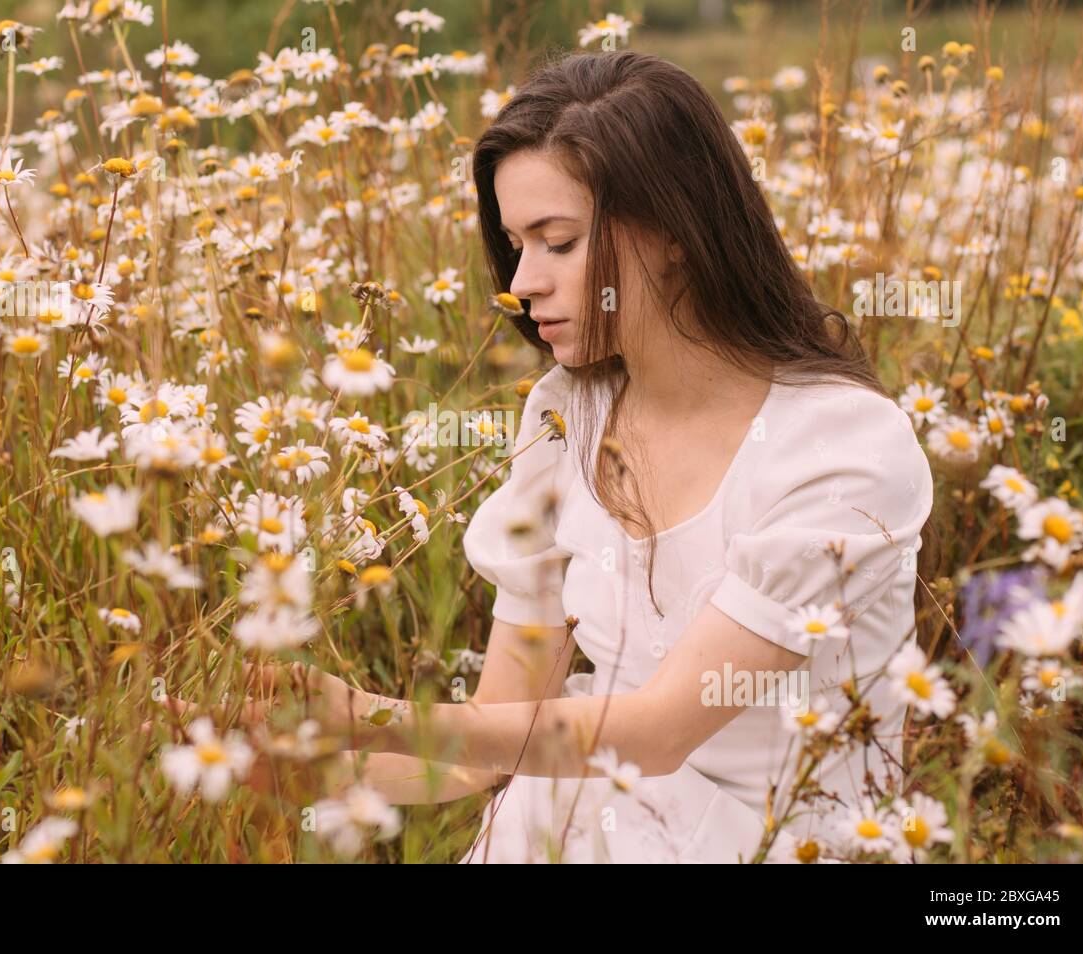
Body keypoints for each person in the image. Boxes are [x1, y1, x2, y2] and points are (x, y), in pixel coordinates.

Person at [177, 49, 937, 864]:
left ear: (677, 230)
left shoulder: (841, 447)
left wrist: (369, 712)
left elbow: (656, 734)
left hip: (790, 840)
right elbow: (501, 732)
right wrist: (316, 771)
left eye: (559, 242)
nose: (521, 282)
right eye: (515, 245)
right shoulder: (566, 416)